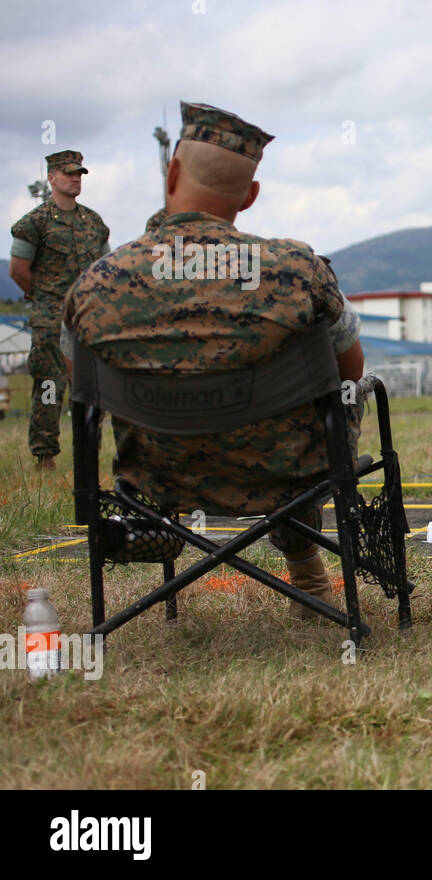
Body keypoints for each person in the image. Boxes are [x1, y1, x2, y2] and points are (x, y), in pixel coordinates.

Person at [64, 102, 365, 620]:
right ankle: (309, 574)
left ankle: (152, 534)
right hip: (286, 475)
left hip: (156, 478)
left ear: (172, 172)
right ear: (250, 197)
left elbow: (82, 386)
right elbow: (350, 371)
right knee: (340, 402)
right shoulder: (297, 270)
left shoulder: (97, 282)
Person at [9, 150, 110, 471]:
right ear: (51, 178)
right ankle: (46, 457)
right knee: (51, 387)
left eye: (79, 174)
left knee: (92, 386)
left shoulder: (93, 222)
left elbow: (105, 268)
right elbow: (17, 270)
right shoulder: (34, 224)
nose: (75, 179)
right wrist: (44, 297)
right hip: (52, 318)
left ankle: (89, 452)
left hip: (87, 318)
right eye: (68, 174)